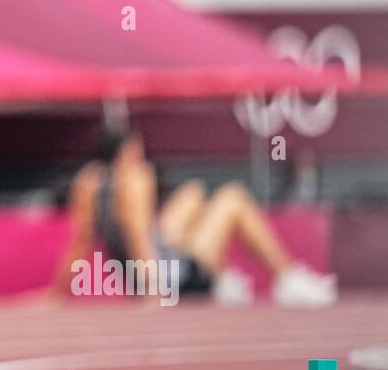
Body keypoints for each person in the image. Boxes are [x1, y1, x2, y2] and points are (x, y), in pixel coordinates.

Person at [57, 127, 337, 306]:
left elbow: (81, 243)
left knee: (192, 194)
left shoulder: (88, 183)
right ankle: (287, 278)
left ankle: (225, 278)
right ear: (127, 150)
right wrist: (154, 292)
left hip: (157, 267)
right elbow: (137, 236)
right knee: (233, 199)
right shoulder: (134, 179)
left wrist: (57, 293)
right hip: (176, 279)